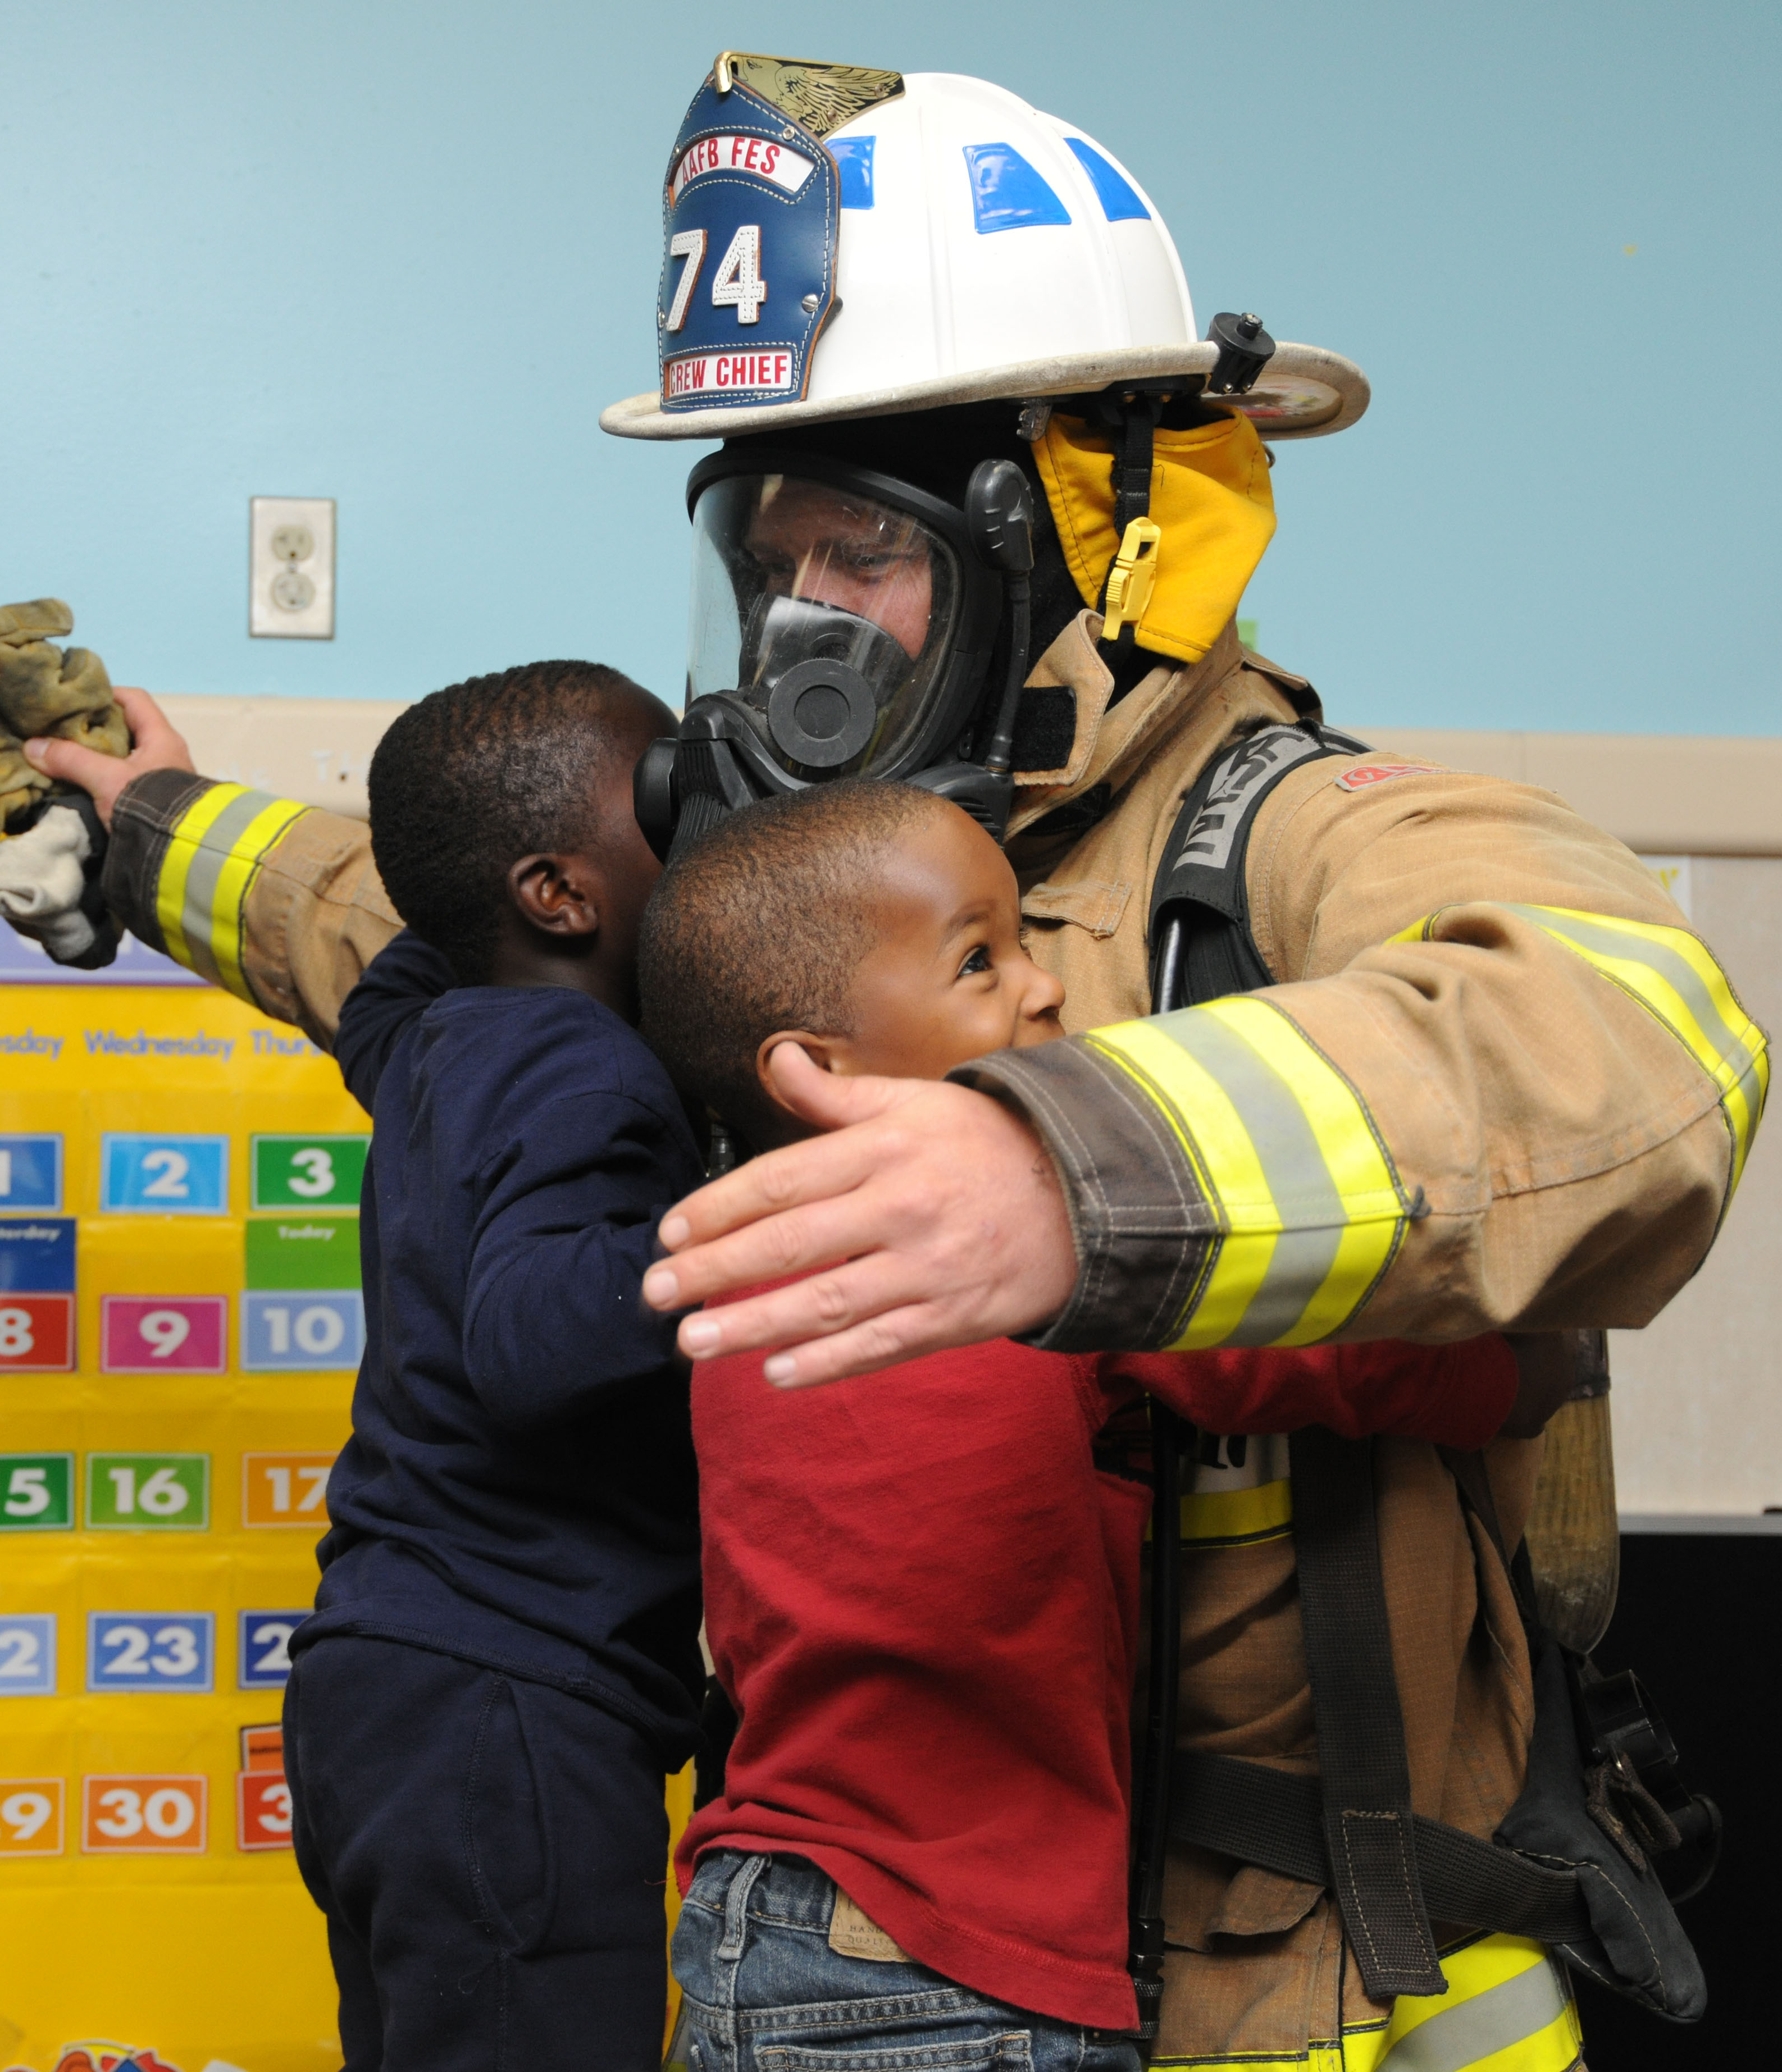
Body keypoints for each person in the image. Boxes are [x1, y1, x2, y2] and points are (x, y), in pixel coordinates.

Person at [25, 52, 1765, 2070]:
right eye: (770, 563)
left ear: (1077, 539)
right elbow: (444, 928)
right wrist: (147, 830)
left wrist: (1059, 1171)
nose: (799, 626)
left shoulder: (1294, 835)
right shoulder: (805, 882)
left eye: (862, 553)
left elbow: (1632, 1041)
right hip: (892, 1952)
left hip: (1309, 1989)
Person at [637, 778, 1553, 2070]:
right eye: (979, 961)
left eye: (1027, 940)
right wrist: (1515, 1376)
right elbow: (1321, 1364)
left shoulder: (741, 1272)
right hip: (950, 1968)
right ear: (821, 1067)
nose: (1047, 985)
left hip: (755, 1912)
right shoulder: (1025, 1268)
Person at [278, 660, 701, 2072]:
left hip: (382, 1684)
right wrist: (761, 1225)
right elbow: (529, 1336)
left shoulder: (428, 1037)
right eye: (669, 802)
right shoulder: (586, 1067)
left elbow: (409, 954)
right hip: (514, 1702)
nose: (701, 827)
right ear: (559, 894)